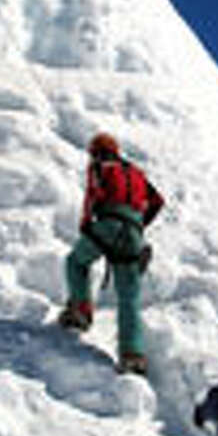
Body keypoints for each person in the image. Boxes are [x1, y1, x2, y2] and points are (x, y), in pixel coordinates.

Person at [57, 132, 164, 374]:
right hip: (134, 234)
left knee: (76, 262)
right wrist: (139, 223)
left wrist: (86, 224)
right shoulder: (136, 172)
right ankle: (132, 355)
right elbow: (157, 201)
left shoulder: (100, 166)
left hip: (107, 225)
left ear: (97, 151)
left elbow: (92, 195)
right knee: (129, 298)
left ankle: (81, 310)